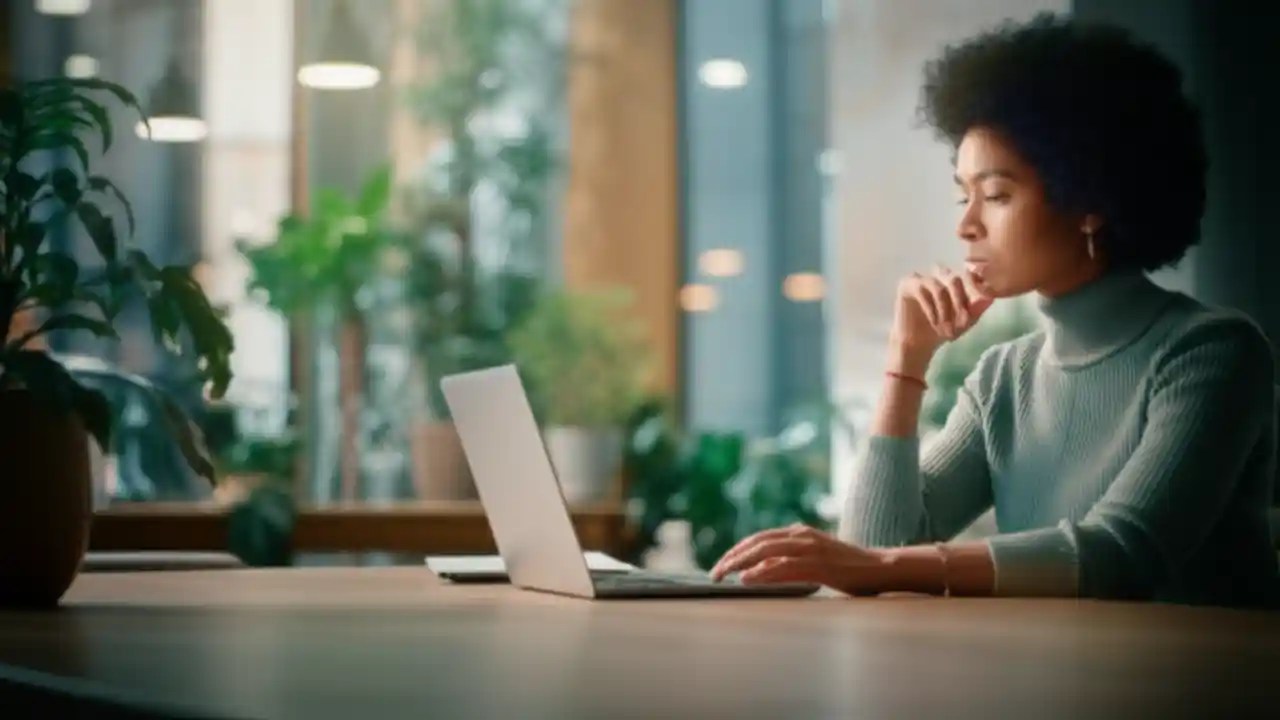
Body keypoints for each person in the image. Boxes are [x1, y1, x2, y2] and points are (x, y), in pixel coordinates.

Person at [710, 13, 1279, 608]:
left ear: (1090, 200)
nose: (966, 225)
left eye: (998, 195)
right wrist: (906, 362)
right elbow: (878, 548)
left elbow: (1121, 554)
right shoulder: (1003, 377)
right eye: (964, 195)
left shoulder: (1213, 352)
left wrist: (876, 562)